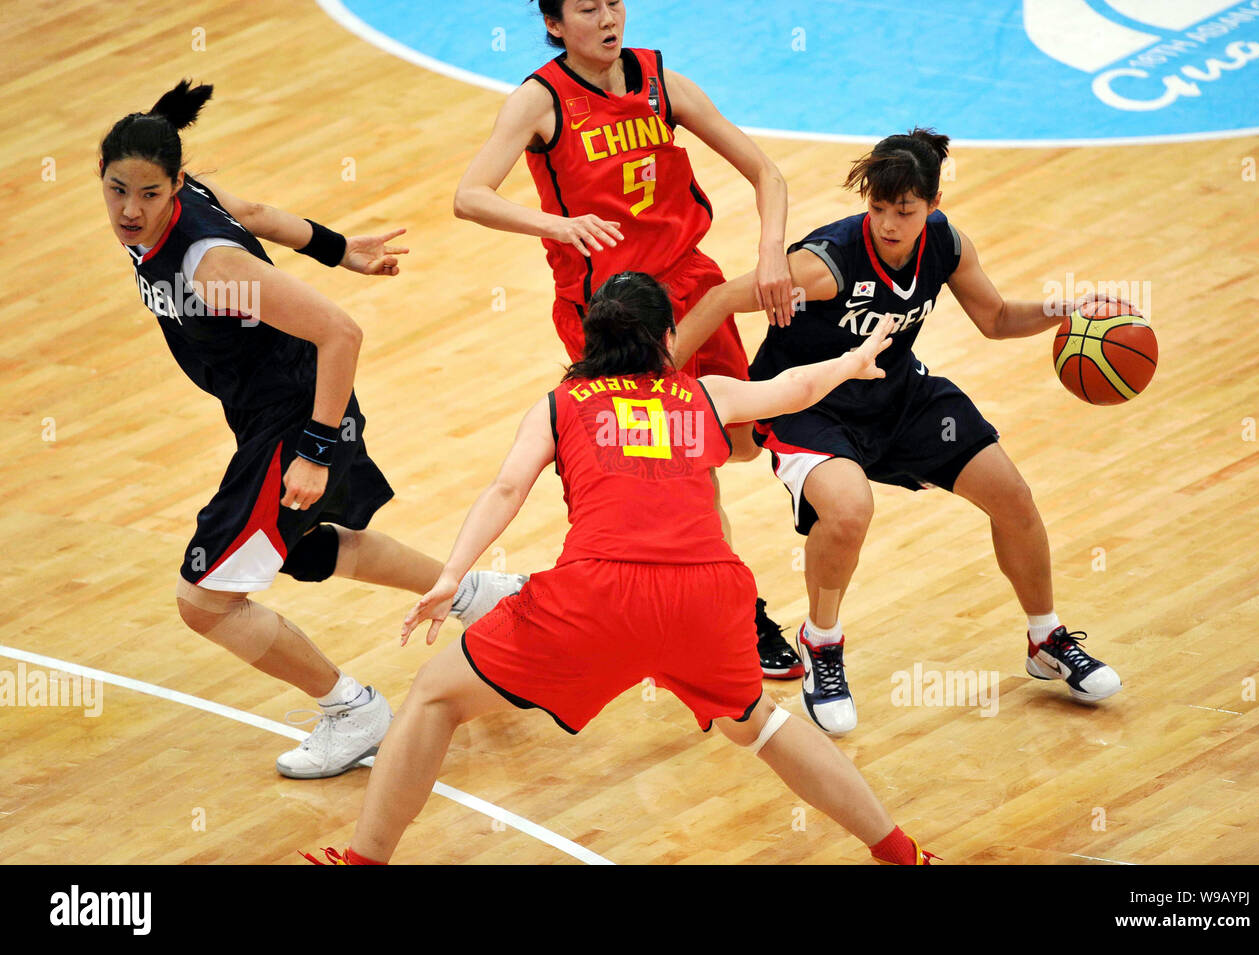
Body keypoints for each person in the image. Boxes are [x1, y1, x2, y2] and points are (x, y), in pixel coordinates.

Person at [301, 271, 933, 865]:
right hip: (709, 597)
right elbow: (793, 388)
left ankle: (364, 859)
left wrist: (450, 578)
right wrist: (852, 362)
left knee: (436, 696)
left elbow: (504, 491)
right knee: (758, 724)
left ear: (588, 340)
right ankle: (901, 851)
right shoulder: (705, 394)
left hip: (596, 596)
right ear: (667, 339)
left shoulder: (560, 404)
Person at [101, 80, 524, 778]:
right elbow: (257, 210)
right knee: (304, 548)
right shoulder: (178, 204)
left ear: (176, 185)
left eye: (149, 194)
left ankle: (351, 710)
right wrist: (339, 248)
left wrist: (315, 453)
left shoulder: (210, 265)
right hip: (272, 410)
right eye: (118, 190)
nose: (130, 209)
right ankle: (480, 597)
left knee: (204, 599)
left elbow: (340, 332)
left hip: (299, 417)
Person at [673, 128, 1125, 735]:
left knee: (1012, 498)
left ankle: (1044, 637)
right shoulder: (825, 264)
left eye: (905, 210)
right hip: (812, 403)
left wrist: (1065, 308)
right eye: (879, 208)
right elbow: (721, 299)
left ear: (932, 204)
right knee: (850, 510)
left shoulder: (944, 243)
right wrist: (656, 381)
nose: (889, 222)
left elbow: (994, 319)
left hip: (898, 395)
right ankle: (822, 644)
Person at [452, 0, 802, 678]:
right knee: (673, 465)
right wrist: (557, 225)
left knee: (736, 445)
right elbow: (470, 195)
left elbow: (769, 173)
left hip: (693, 287)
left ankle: (548, 592)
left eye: (615, 2)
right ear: (555, 24)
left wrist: (770, 249)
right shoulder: (540, 100)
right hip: (612, 316)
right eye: (588, 8)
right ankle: (731, 611)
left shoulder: (658, 80)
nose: (609, 18)